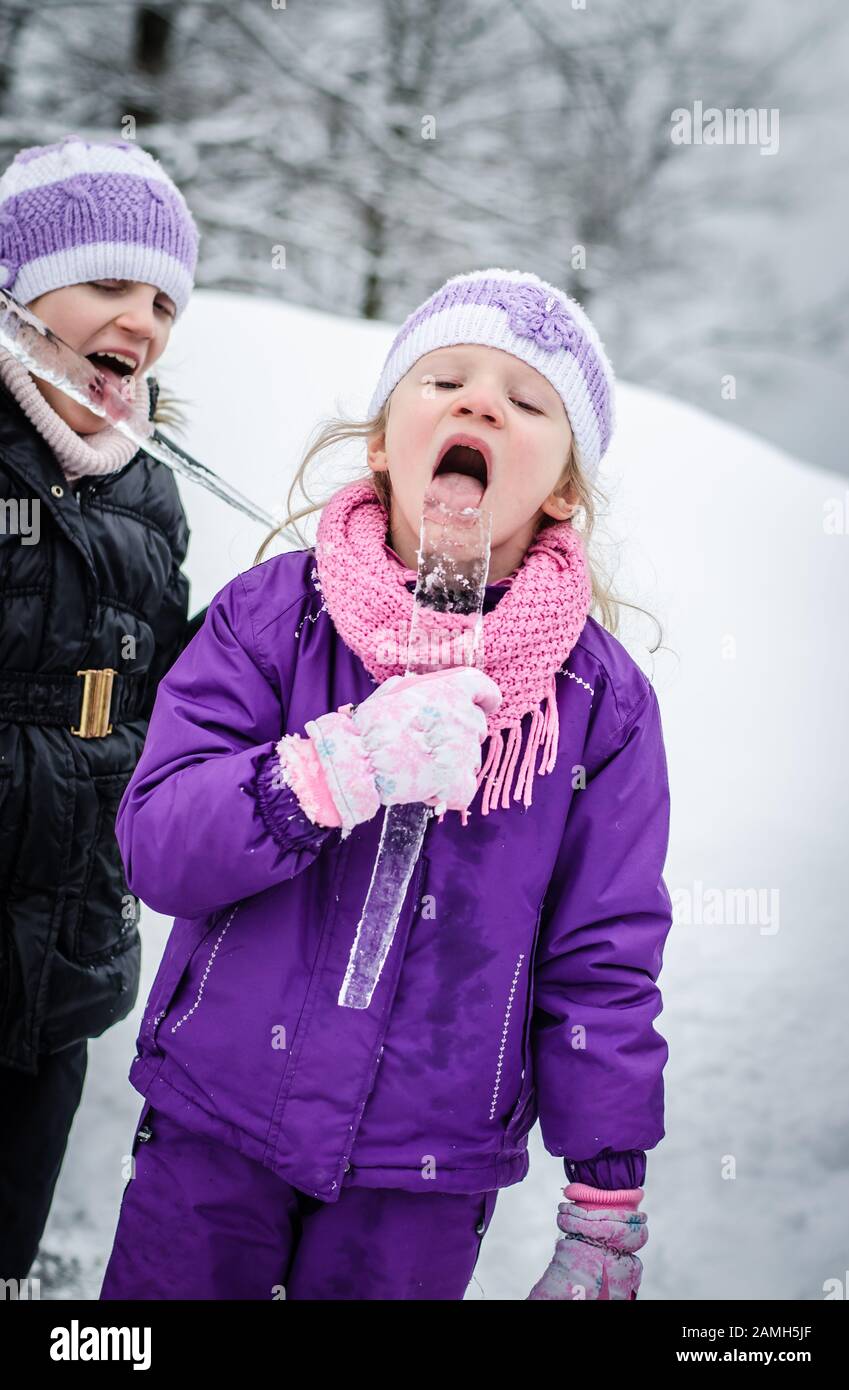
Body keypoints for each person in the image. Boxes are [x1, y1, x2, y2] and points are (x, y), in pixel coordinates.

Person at [99, 267, 672, 1301]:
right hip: (213, 1127)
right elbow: (156, 843)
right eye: (443, 378)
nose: (479, 402)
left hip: (423, 1176)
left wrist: (605, 1206)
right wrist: (326, 770)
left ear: (559, 489)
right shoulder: (273, 619)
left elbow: (603, 956)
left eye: (526, 400)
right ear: (380, 444)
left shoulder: (598, 702)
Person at [0, 134, 202, 1282]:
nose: (146, 319)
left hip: (63, 955)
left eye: (166, 299)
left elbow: (163, 682)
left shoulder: (146, 488)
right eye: (112, 284)